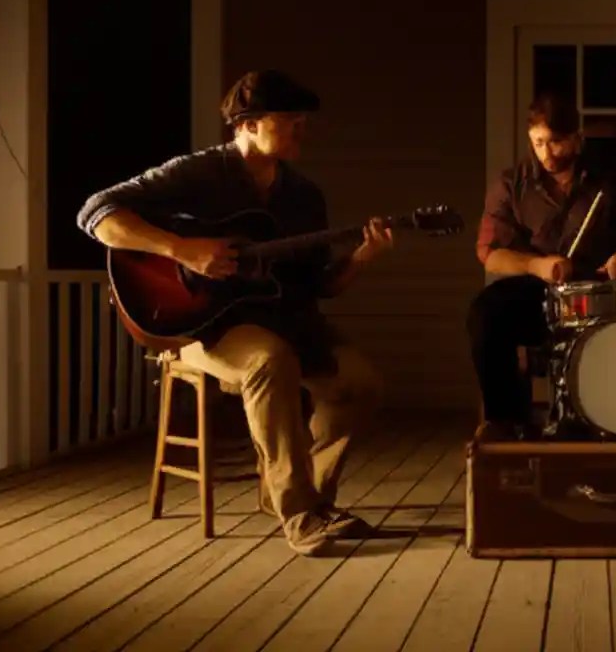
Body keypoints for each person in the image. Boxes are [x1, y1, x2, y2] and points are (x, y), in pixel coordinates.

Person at [76, 70, 392, 556]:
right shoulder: (198, 174)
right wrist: (181, 249)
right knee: (270, 360)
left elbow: (320, 286)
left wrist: (360, 260)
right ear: (246, 124)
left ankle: (304, 495)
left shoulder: (304, 196)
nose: (300, 132)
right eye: (288, 121)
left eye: (302, 121)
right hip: (204, 325)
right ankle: (301, 514)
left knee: (361, 382)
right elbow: (96, 213)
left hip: (285, 319)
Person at [468, 91, 616, 435]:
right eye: (539, 142)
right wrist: (538, 266)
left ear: (577, 139)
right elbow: (490, 253)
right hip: (542, 289)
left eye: (557, 142)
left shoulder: (609, 179)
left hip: (603, 286)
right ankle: (505, 424)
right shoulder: (511, 184)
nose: (547, 153)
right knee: (485, 314)